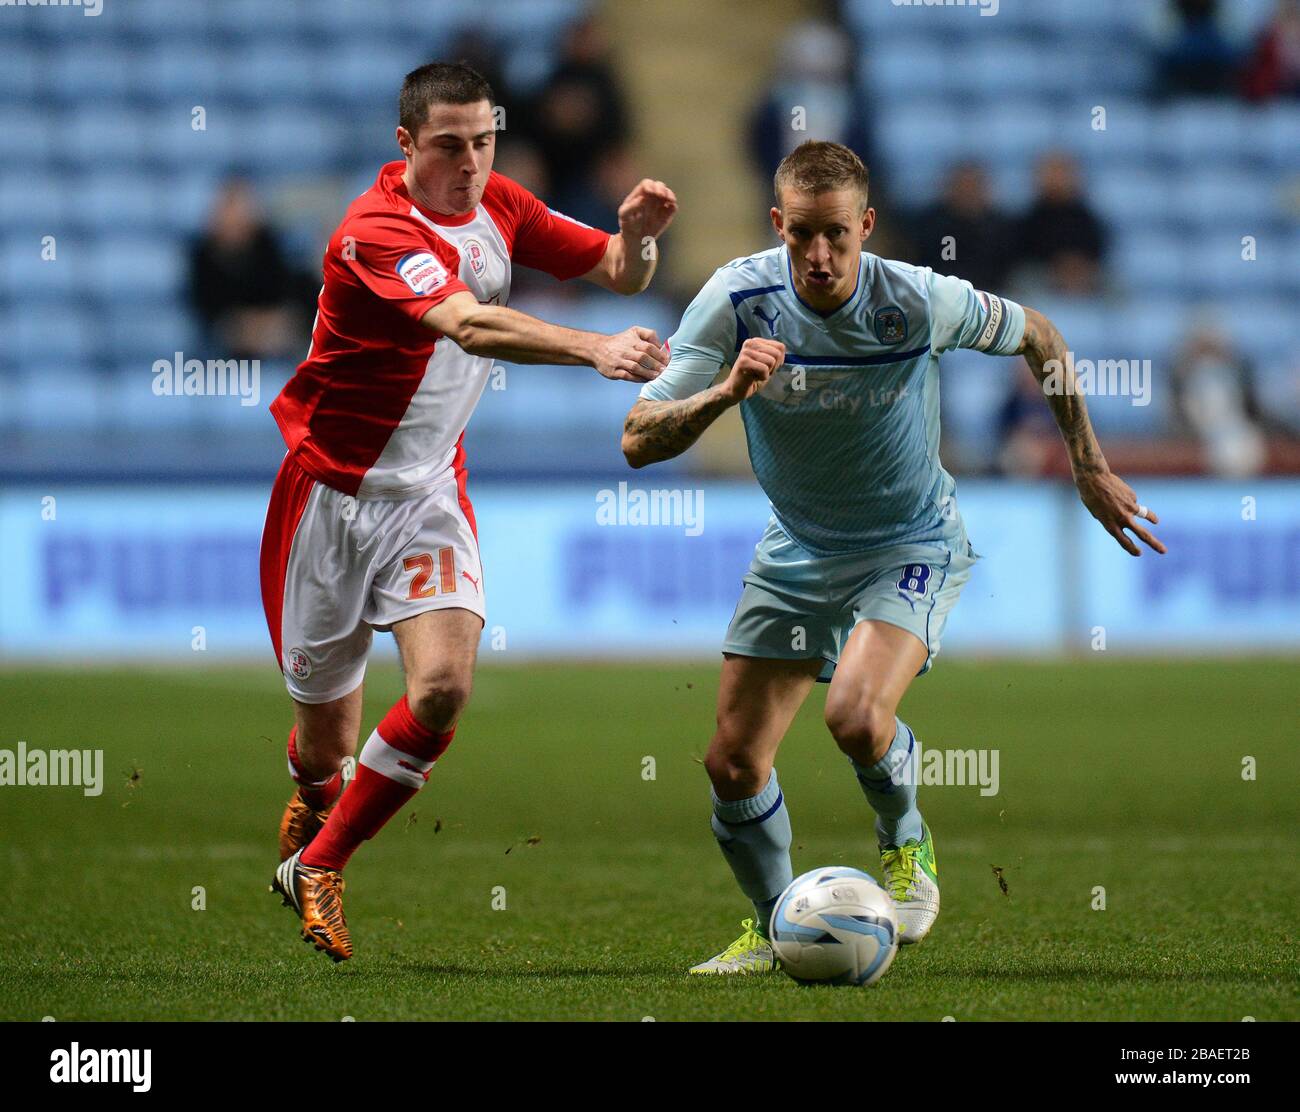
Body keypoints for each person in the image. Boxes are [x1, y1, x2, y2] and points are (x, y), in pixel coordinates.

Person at [620, 140, 1164, 975]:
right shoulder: (736, 298)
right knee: (732, 760)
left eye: (837, 233)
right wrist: (725, 393)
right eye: (801, 234)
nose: (819, 255)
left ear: (866, 226)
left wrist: (1088, 465)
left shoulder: (916, 298)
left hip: (910, 539)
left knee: (855, 716)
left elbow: (1041, 335)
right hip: (799, 545)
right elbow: (637, 441)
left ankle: (906, 843)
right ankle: (776, 928)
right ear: (778, 225)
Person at [263, 62, 677, 961]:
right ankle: (312, 787)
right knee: (324, 743)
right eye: (449, 144)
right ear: (407, 144)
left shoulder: (505, 206)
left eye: (484, 142)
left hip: (430, 496)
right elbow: (468, 323)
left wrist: (637, 238)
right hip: (328, 502)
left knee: (444, 689)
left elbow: (617, 270)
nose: (471, 162)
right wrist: (592, 350)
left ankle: (322, 865)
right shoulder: (375, 231)